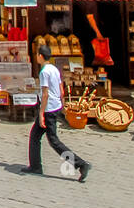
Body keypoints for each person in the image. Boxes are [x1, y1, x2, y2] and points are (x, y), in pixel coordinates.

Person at [23, 44, 90, 182]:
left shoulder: (44, 72)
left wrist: (41, 113)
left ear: (40, 56)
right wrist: (62, 104)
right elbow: (61, 89)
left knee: (54, 141)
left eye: (37, 55)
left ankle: (80, 164)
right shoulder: (54, 68)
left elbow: (45, 94)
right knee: (35, 136)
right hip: (55, 107)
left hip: (48, 109)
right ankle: (35, 166)